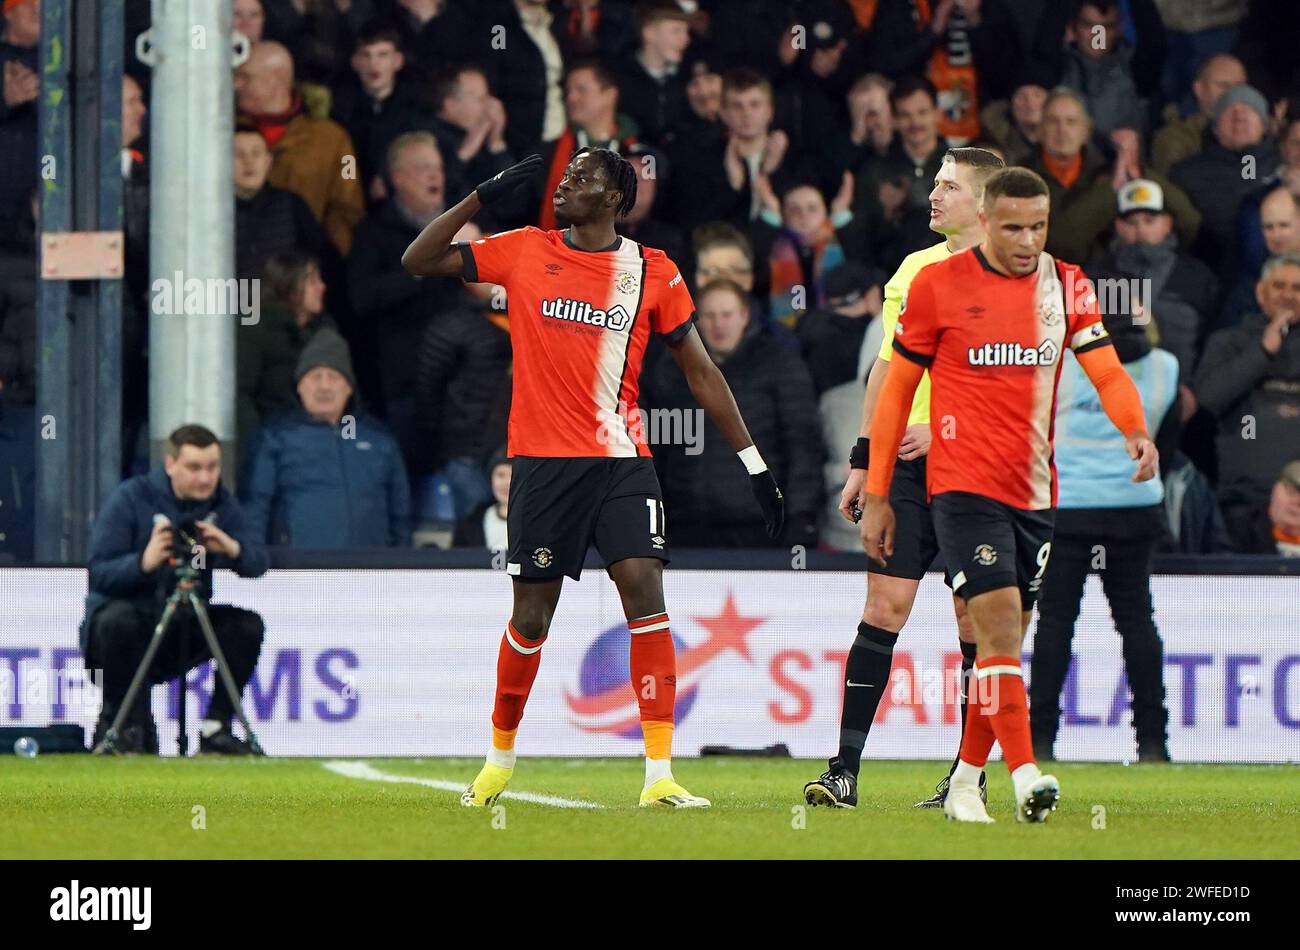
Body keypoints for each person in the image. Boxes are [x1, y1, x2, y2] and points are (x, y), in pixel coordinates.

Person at [402, 146, 784, 808]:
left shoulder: (653, 271)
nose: (565, 184)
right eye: (567, 174)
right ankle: (499, 759)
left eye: (583, 178)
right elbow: (418, 260)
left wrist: (753, 462)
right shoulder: (523, 249)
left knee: (645, 590)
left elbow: (702, 371)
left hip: (622, 460)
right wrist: (480, 196)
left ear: (614, 201)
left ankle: (659, 774)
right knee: (532, 615)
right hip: (544, 465)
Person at [861, 167, 1158, 823]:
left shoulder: (1069, 285)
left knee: (1006, 646)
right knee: (997, 629)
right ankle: (1026, 778)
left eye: (1039, 226)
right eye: (1015, 226)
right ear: (987, 223)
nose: (1028, 240)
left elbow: (1106, 371)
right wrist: (878, 491)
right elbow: (895, 394)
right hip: (963, 489)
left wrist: (1136, 430)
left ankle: (966, 781)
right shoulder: (937, 287)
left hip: (1037, 496)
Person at [803, 147, 1003, 811]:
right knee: (883, 608)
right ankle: (843, 772)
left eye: (948, 187)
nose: (933, 196)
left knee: (974, 625)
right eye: (935, 183)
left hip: (979, 472)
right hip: (909, 473)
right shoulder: (915, 270)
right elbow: (888, 371)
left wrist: (948, 424)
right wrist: (865, 459)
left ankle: (965, 780)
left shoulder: (1017, 278)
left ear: (984, 202)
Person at [1031, 304, 1180, 764]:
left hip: (1069, 508)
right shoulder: (1165, 367)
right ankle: (1152, 742)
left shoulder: (1058, 359)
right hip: (1133, 507)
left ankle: (1039, 741)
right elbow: (1168, 442)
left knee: (1055, 624)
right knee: (1137, 622)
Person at [80, 425, 270, 755]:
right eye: (194, 468)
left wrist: (231, 547)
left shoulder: (222, 505)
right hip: (124, 629)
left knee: (245, 626)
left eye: (212, 468)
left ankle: (216, 727)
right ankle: (127, 725)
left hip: (183, 622)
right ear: (170, 465)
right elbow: (99, 572)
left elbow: (258, 562)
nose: (205, 478)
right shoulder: (131, 497)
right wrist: (144, 562)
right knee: (118, 620)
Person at [652, 279, 823, 548]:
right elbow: (659, 447)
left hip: (761, 528)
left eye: (727, 315)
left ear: (745, 316)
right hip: (687, 527)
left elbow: (803, 443)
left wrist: (801, 517)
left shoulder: (779, 363)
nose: (719, 324)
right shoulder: (671, 369)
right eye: (710, 315)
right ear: (696, 320)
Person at [242, 329, 411, 548]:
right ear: (299, 386)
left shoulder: (379, 441)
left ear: (349, 388)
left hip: (369, 574)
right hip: (298, 573)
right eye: (315, 376)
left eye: (334, 377)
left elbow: (401, 517)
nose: (324, 386)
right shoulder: (275, 438)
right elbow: (255, 510)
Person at [1193, 254, 1300, 553]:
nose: (1288, 295)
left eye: (1297, 288)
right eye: (1279, 286)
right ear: (1260, 292)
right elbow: (1210, 398)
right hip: (1243, 504)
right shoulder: (1228, 342)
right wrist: (1263, 352)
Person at [235, 41, 365, 256]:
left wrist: (329, 263)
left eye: (245, 77)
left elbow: (347, 205)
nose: (236, 85)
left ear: (276, 79)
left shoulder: (334, 140)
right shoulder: (220, 135)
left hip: (302, 268)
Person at [236, 253, 335, 463]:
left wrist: (347, 439)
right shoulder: (256, 331)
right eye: (312, 281)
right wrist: (261, 448)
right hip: (276, 447)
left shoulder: (325, 332)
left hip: (323, 442)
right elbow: (242, 396)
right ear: (289, 285)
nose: (322, 287)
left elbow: (349, 396)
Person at [453, 453, 511, 551]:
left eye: (513, 475)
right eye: (500, 475)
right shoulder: (473, 522)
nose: (506, 483)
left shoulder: (536, 520)